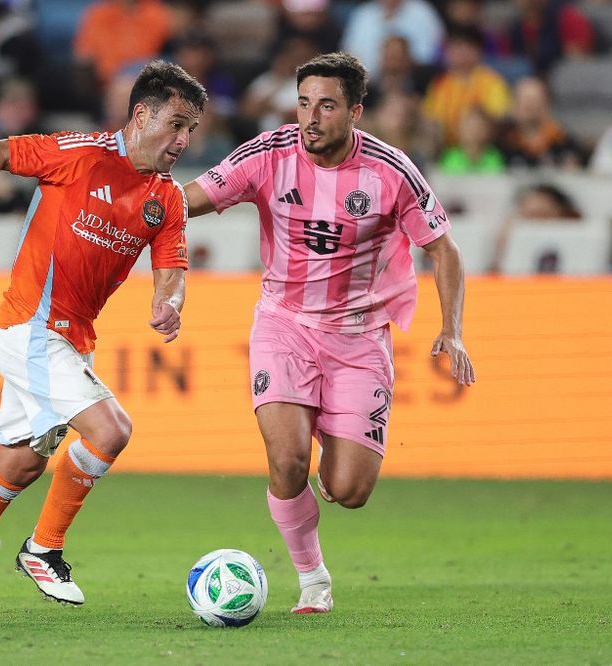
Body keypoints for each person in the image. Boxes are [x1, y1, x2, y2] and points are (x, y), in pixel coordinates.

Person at [184, 52, 475, 614]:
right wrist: (136, 205)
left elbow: (443, 250)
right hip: (284, 324)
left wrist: (453, 330)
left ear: (355, 112)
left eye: (326, 106)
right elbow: (190, 198)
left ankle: (328, 433)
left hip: (358, 337)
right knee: (287, 461)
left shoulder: (390, 172)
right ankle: (312, 578)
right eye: (303, 104)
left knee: (350, 490)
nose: (310, 118)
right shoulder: (268, 154)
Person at [0, 60, 206, 620]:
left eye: (191, 129)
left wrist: (169, 303)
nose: (183, 141)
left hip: (73, 339)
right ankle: (43, 549)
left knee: (21, 464)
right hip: (30, 325)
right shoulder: (81, 153)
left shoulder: (168, 198)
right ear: (140, 115)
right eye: (175, 124)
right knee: (111, 429)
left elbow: (172, 269)